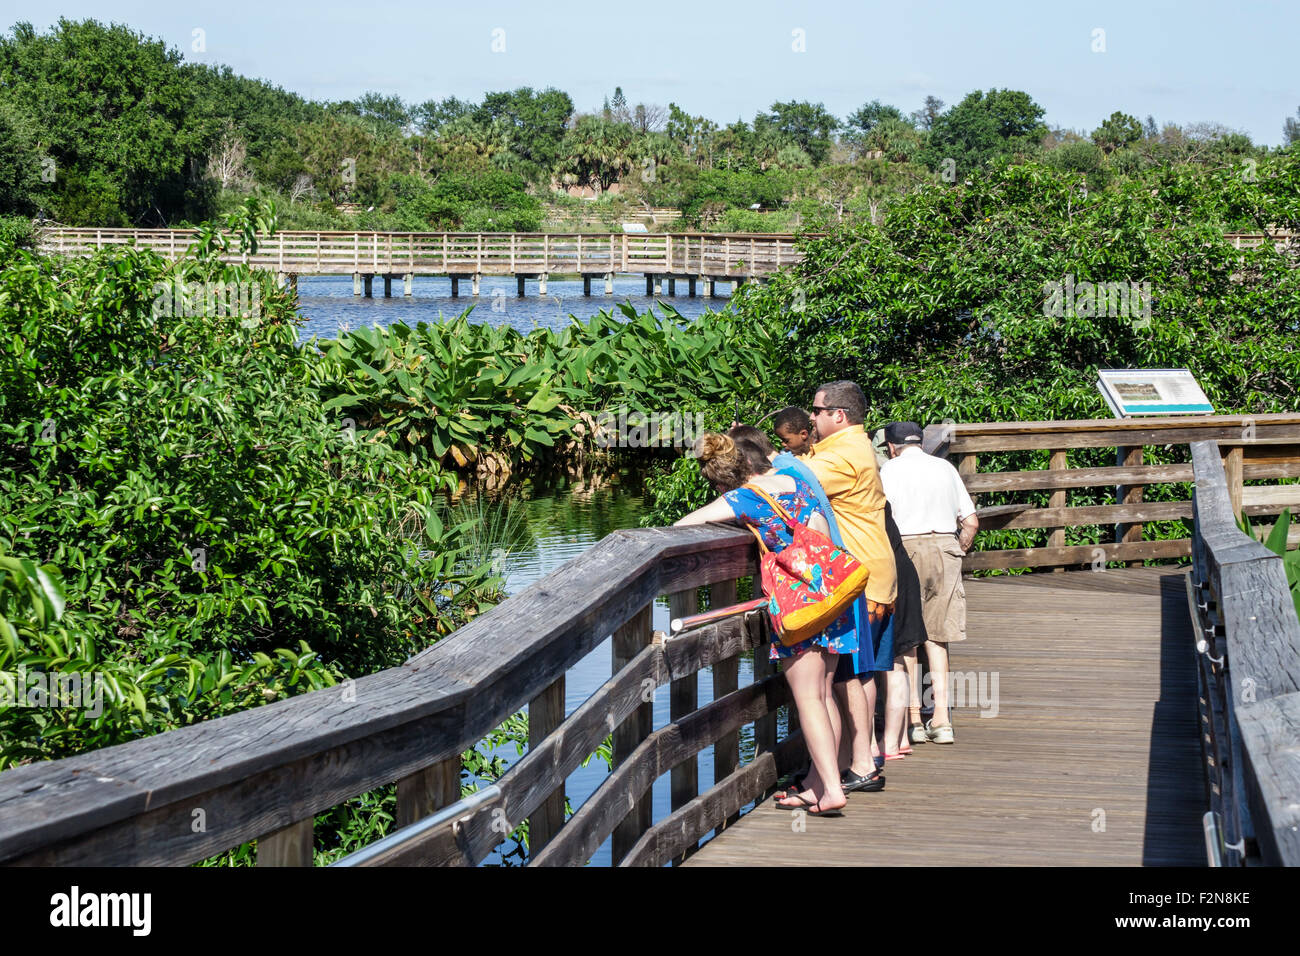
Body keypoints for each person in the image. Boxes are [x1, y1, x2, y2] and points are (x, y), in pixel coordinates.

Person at [675, 433, 858, 815]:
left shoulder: (741, 498)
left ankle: (831, 791)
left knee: (808, 699)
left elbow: (684, 525)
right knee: (824, 694)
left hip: (799, 604)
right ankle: (819, 782)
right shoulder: (794, 481)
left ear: (721, 481)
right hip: (832, 594)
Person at [800, 381, 897, 783]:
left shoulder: (843, 457)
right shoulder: (854, 448)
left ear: (838, 415)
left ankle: (858, 764)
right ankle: (861, 757)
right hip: (874, 574)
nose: (811, 417)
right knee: (859, 672)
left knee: (848, 675)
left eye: (817, 411)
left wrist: (747, 457)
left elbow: (791, 480)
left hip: (860, 580)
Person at [879, 421, 979, 745]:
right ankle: (942, 720)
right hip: (945, 545)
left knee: (908, 636)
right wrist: (957, 549)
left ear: (891, 447)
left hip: (905, 549)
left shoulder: (889, 471)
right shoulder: (945, 468)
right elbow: (971, 522)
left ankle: (914, 721)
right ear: (920, 443)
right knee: (938, 637)